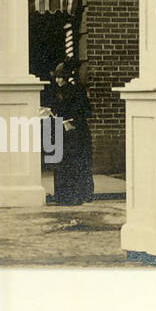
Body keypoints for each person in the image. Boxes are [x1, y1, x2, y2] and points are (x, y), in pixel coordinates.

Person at [49, 61, 95, 206]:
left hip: (76, 132)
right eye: (57, 77)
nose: (59, 80)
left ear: (68, 77)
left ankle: (78, 195)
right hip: (60, 131)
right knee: (61, 164)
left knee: (76, 163)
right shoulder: (56, 92)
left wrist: (73, 121)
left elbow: (86, 111)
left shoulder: (77, 91)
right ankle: (62, 195)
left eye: (62, 77)